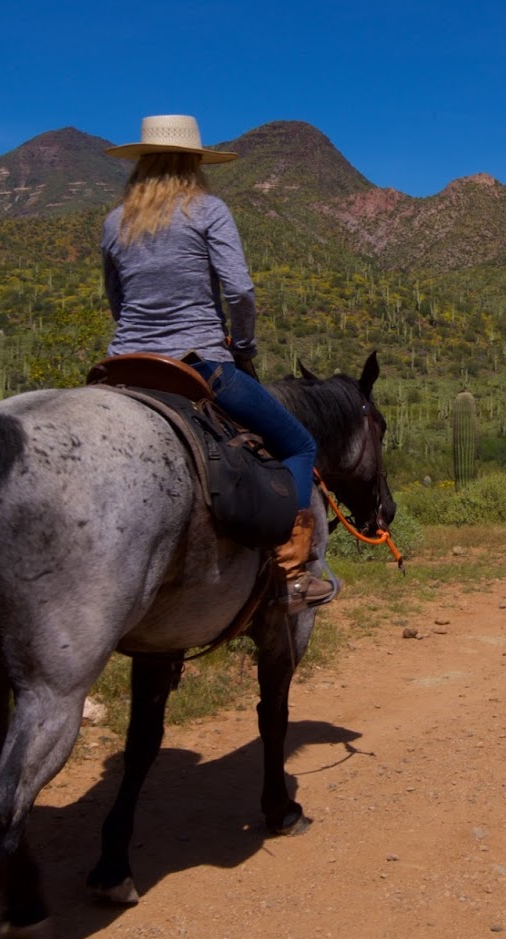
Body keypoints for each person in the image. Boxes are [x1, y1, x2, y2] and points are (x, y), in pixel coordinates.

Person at [101, 114, 339, 611]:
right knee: (298, 444)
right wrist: (244, 345)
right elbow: (240, 290)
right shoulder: (207, 210)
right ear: (194, 163)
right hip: (197, 364)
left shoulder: (114, 222)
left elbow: (117, 302)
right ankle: (292, 575)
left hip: (124, 366)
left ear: (140, 164)